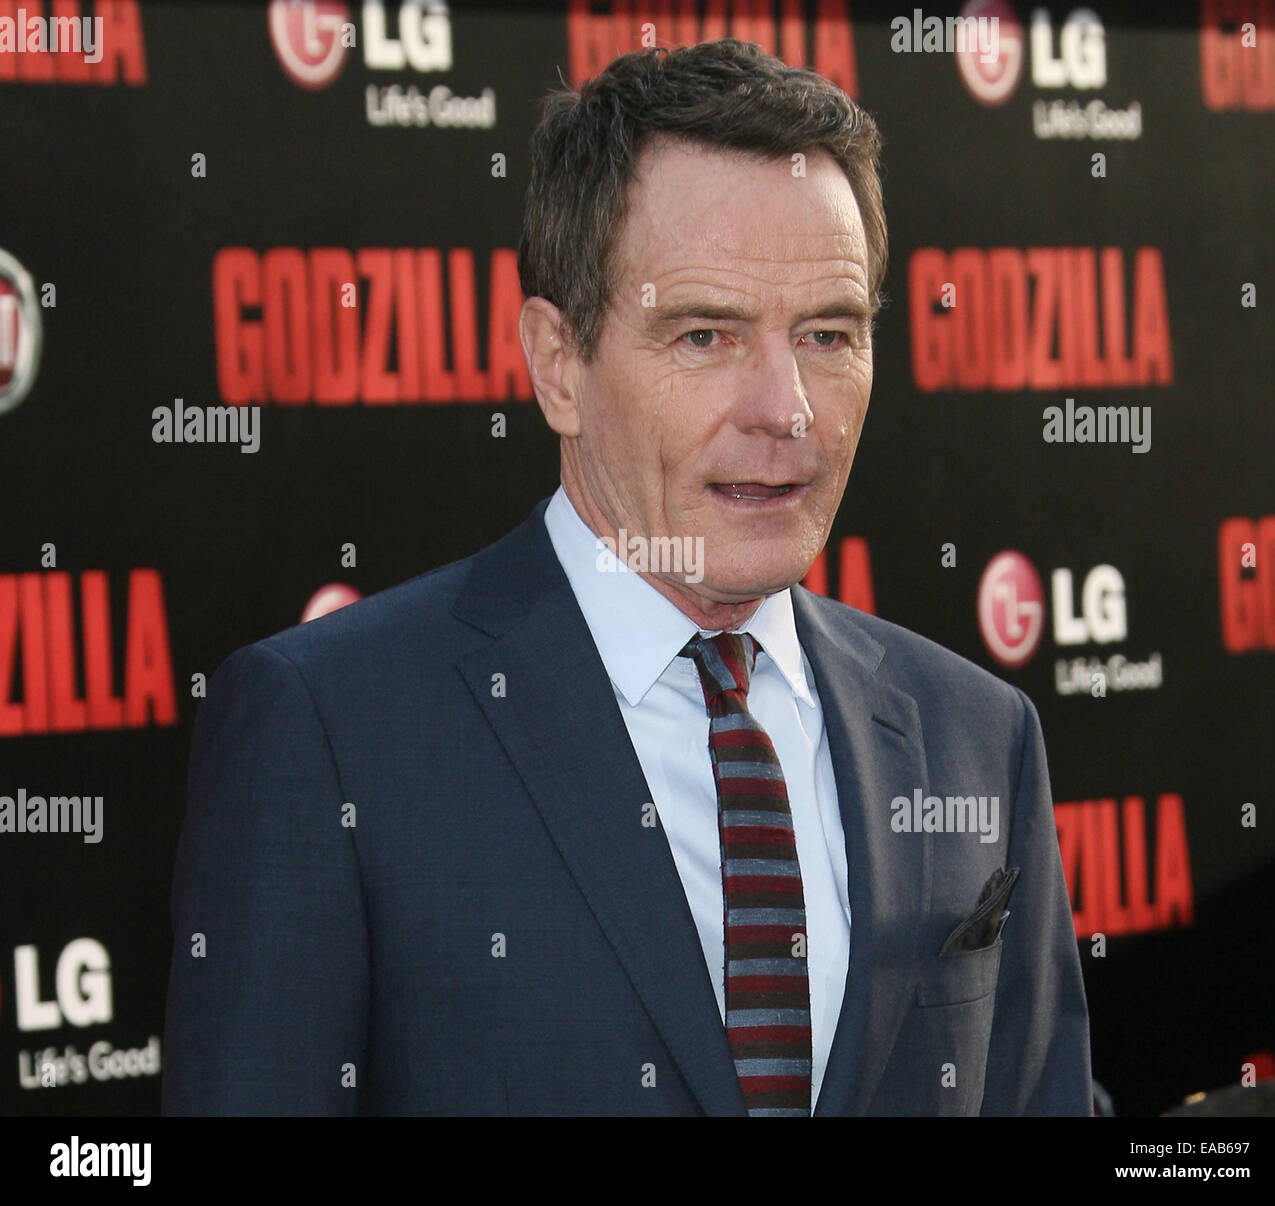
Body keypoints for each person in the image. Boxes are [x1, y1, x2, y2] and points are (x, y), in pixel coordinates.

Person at [162, 38, 1090, 1116]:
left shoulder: (976, 731)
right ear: (557, 363)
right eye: (705, 334)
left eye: (828, 334)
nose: (785, 411)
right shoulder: (332, 732)